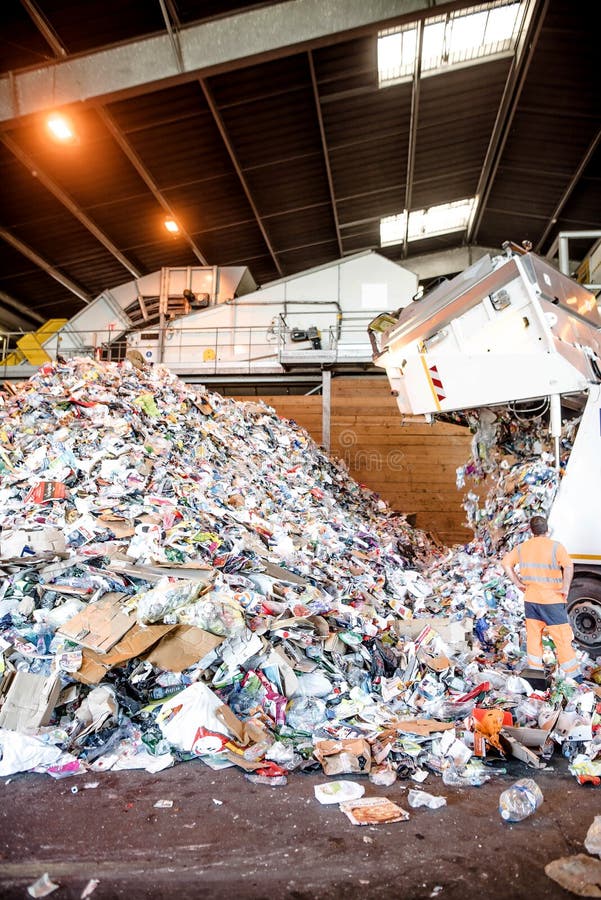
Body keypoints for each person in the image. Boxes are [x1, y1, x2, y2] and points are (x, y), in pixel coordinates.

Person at [502, 515, 580, 681]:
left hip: (531, 601)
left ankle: (536, 675)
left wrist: (517, 583)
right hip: (552, 601)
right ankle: (574, 677)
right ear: (547, 529)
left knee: (533, 638)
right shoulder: (556, 547)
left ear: (531, 531)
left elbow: (506, 564)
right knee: (562, 639)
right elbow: (568, 566)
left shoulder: (522, 548)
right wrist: (565, 587)